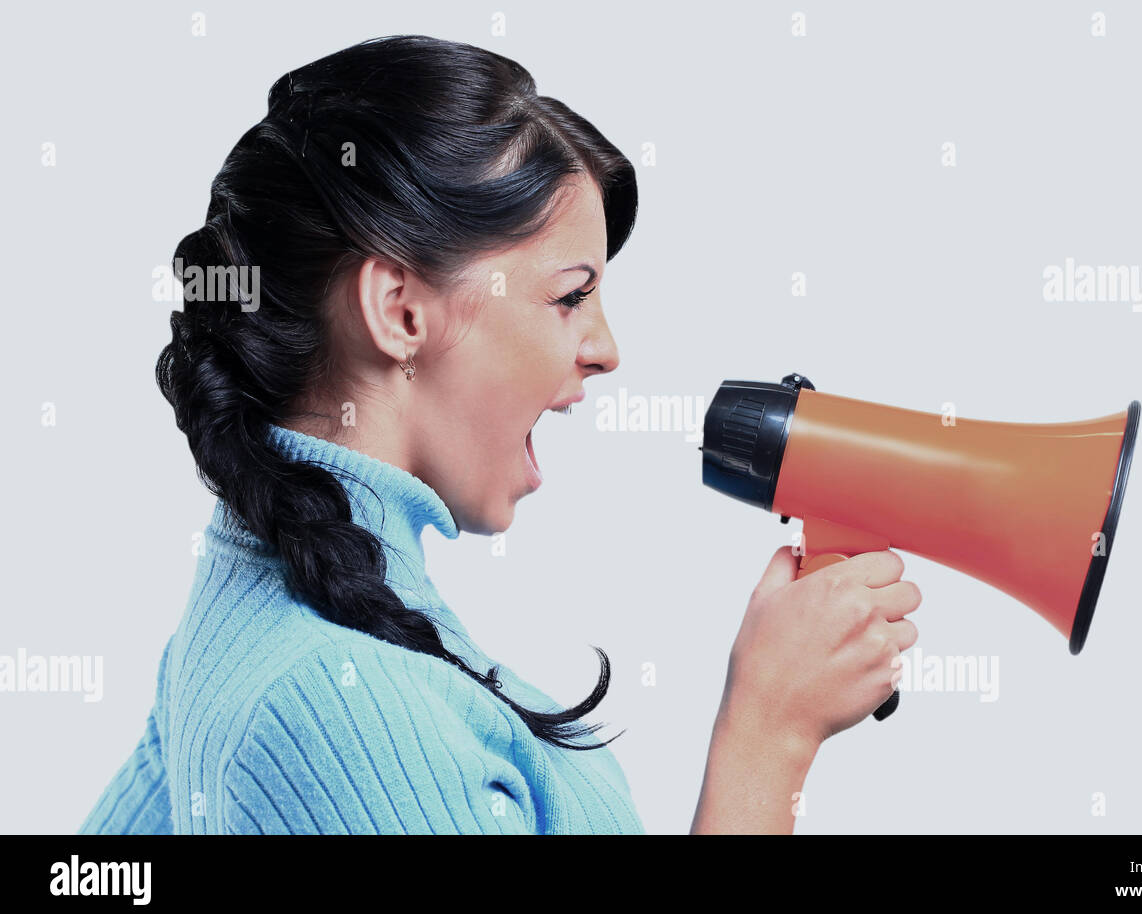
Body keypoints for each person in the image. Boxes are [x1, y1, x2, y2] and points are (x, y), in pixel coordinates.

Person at [78, 34, 921, 835]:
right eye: (568, 297)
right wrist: (769, 734)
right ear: (400, 310)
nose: (606, 350)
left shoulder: (243, 625)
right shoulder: (348, 704)